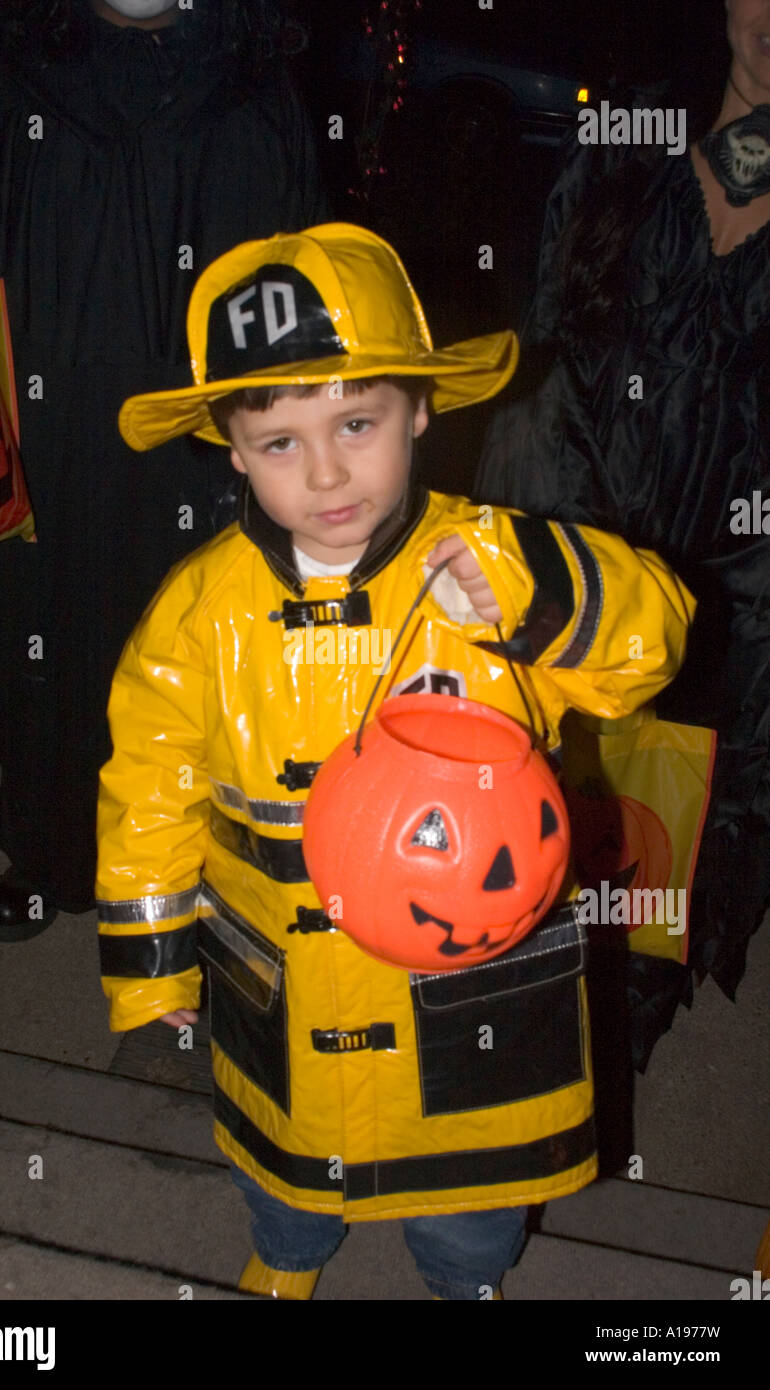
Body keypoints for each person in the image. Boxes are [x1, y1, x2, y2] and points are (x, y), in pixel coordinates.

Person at [94, 221, 694, 1300]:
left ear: (420, 409)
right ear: (230, 448)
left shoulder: (490, 569)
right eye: (279, 441)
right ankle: (285, 1258)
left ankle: (464, 1282)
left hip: (471, 987)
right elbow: (148, 791)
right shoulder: (197, 614)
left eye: (356, 422)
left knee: (472, 1205)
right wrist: (151, 977)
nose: (325, 471)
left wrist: (538, 598)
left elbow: (651, 644)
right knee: (282, 1174)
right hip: (280, 981)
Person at [0, 0, 327, 939]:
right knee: (43, 645)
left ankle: (190, 872)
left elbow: (297, 274)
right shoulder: (18, 81)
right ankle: (45, 851)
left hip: (198, 443)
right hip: (48, 434)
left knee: (192, 655)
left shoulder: (258, 90)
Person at [474, 0, 770, 1069]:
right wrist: (567, 558)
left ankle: (621, 1036)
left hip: (742, 578)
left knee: (672, 832)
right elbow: (543, 342)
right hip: (582, 520)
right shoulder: (628, 138)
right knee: (549, 801)